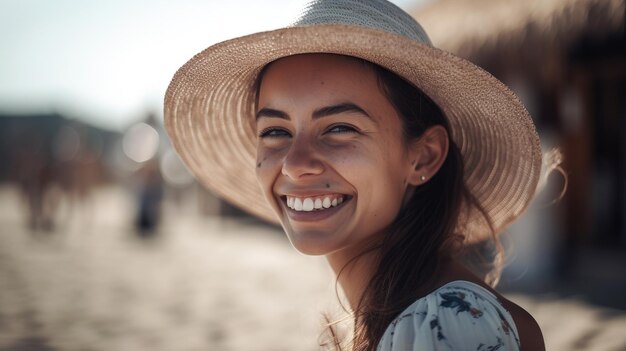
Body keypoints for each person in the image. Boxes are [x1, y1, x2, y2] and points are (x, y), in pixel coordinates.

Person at [164, 0, 546, 349]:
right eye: (276, 132)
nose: (295, 164)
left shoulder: (442, 325)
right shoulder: (404, 315)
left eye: (338, 129)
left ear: (423, 157)